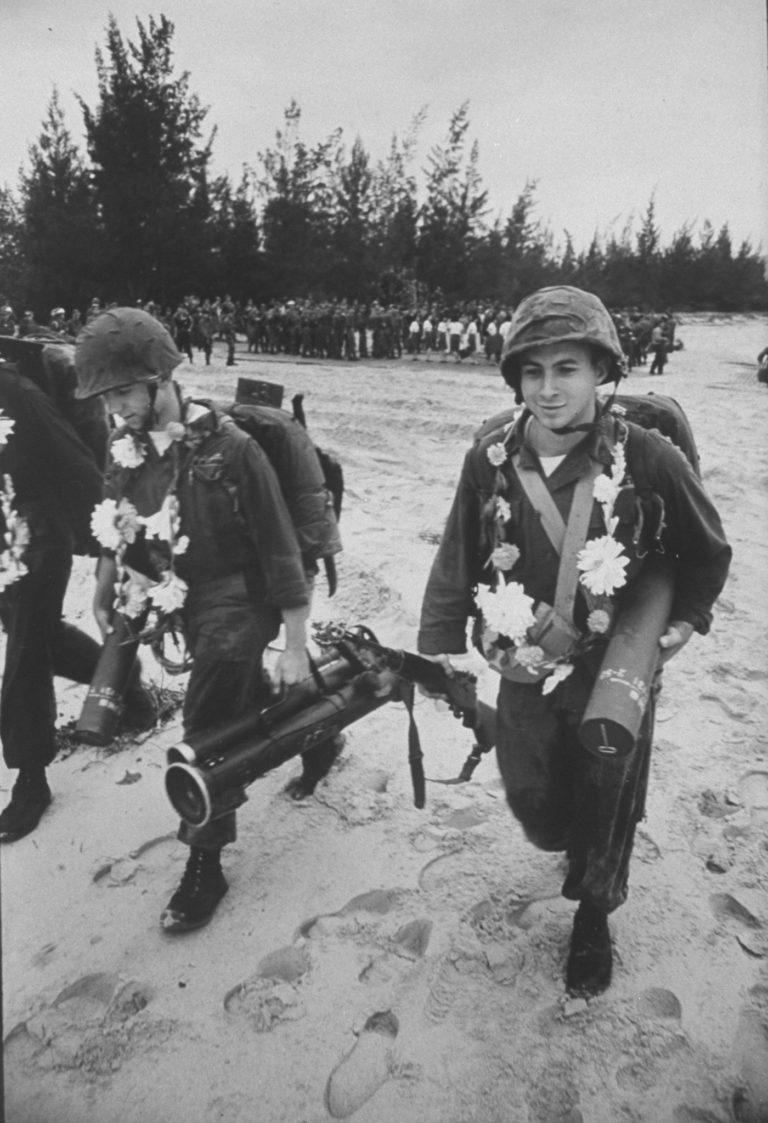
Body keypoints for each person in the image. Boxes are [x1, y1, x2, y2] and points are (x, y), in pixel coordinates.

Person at [417, 285, 731, 997]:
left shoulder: (648, 458)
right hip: (522, 662)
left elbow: (708, 552)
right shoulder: (489, 456)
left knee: (607, 791)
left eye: (567, 368)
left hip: (610, 662)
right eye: (533, 371)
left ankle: (594, 908)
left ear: (601, 374)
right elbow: (458, 554)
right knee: (532, 798)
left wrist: (683, 624)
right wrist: (441, 643)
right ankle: (569, 844)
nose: (549, 388)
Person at [73, 307, 338, 933]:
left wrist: (295, 640)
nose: (115, 409)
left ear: (162, 377)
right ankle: (321, 735)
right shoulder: (126, 448)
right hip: (180, 597)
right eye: (105, 396)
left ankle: (205, 863)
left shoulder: (233, 450)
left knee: (207, 725)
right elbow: (120, 522)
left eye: (122, 392)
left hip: (242, 600)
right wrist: (108, 584)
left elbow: (279, 548)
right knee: (245, 699)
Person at [0, 348, 153, 842]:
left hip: (37, 531)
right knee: (36, 633)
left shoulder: (14, 391)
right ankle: (123, 681)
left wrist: (116, 542)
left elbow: (73, 460)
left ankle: (30, 777)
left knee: (25, 646)